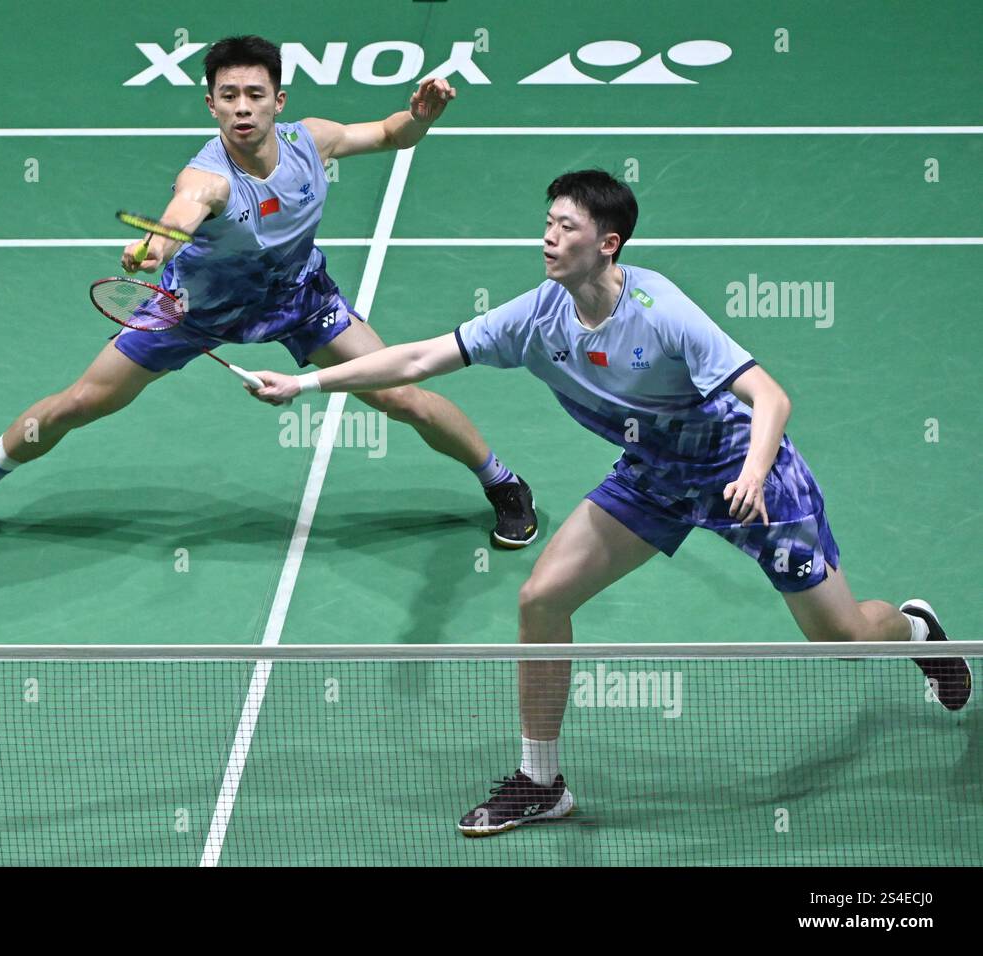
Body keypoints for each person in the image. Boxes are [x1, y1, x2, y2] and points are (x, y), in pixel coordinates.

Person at [247, 168, 973, 837]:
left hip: (744, 477)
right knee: (542, 597)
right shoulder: (537, 318)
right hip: (655, 475)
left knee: (841, 642)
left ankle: (913, 631)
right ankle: (541, 781)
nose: (549, 237)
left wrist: (753, 474)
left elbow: (770, 396)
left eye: (566, 227)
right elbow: (414, 359)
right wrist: (305, 386)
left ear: (607, 243)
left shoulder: (662, 312)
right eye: (548, 223)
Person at [0, 35, 537, 550]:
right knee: (81, 402)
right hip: (192, 313)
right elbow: (179, 216)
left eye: (254, 95)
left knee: (403, 397)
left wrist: (422, 116)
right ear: (210, 105)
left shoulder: (309, 141)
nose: (242, 107)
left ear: (277, 101)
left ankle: (504, 483)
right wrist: (153, 250)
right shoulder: (207, 177)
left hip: (301, 301)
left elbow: (387, 133)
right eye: (228, 96)